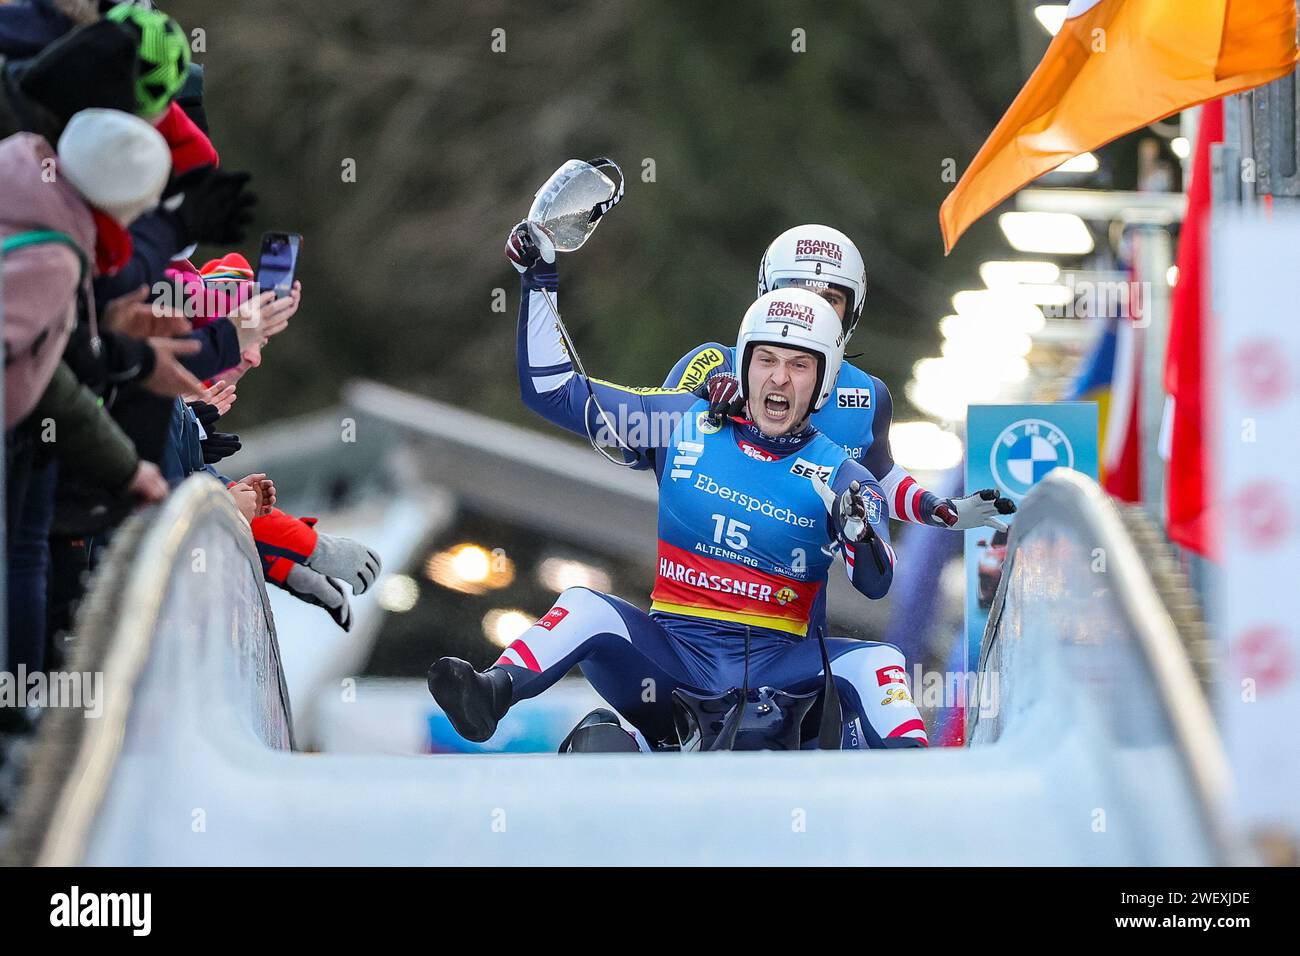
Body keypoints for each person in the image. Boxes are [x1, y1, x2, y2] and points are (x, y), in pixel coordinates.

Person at [426, 228, 928, 751]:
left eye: (799, 365)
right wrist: (540, 282)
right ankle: (494, 691)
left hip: (783, 676)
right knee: (584, 605)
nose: (779, 380)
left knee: (880, 662)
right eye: (766, 360)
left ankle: (923, 779)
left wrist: (860, 533)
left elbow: (875, 582)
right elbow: (551, 390)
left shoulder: (845, 476)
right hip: (674, 661)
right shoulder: (678, 422)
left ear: (824, 380)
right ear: (742, 363)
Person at [657, 224, 1016, 535]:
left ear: (852, 312)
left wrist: (938, 510)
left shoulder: (868, 396)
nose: (810, 309)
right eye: (797, 291)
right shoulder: (713, 364)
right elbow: (649, 441)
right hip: (696, 575)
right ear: (767, 294)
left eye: (829, 298)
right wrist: (701, 406)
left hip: (791, 595)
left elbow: (877, 479)